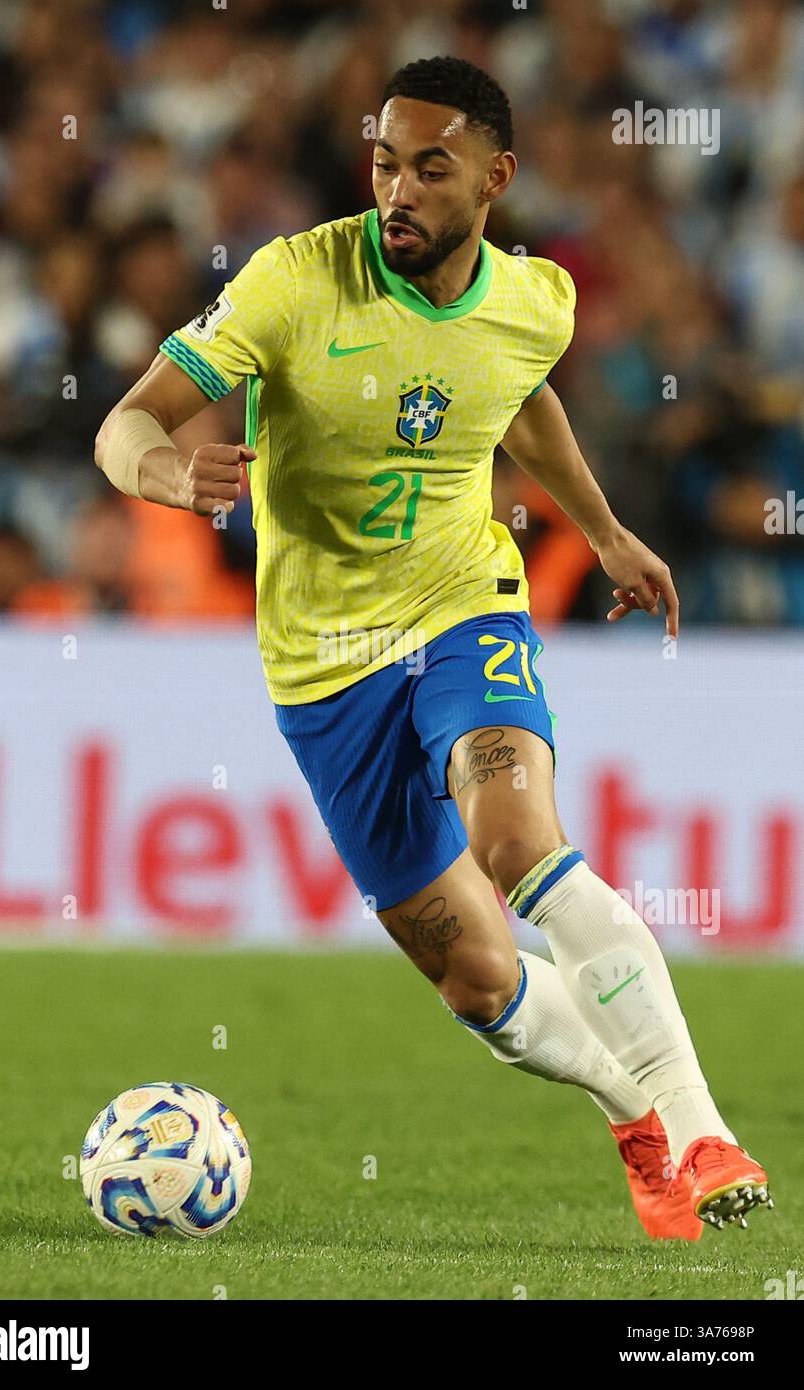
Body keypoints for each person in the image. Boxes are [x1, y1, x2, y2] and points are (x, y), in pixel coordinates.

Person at [95, 56, 771, 1238]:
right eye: (382, 163)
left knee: (516, 838)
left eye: (428, 168)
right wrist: (158, 468)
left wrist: (604, 532)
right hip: (320, 666)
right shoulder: (292, 282)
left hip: (461, 610)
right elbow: (127, 418)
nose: (395, 190)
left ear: (494, 181)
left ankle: (700, 1125)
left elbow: (517, 396)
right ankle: (635, 1114)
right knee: (478, 980)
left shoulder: (535, 298)